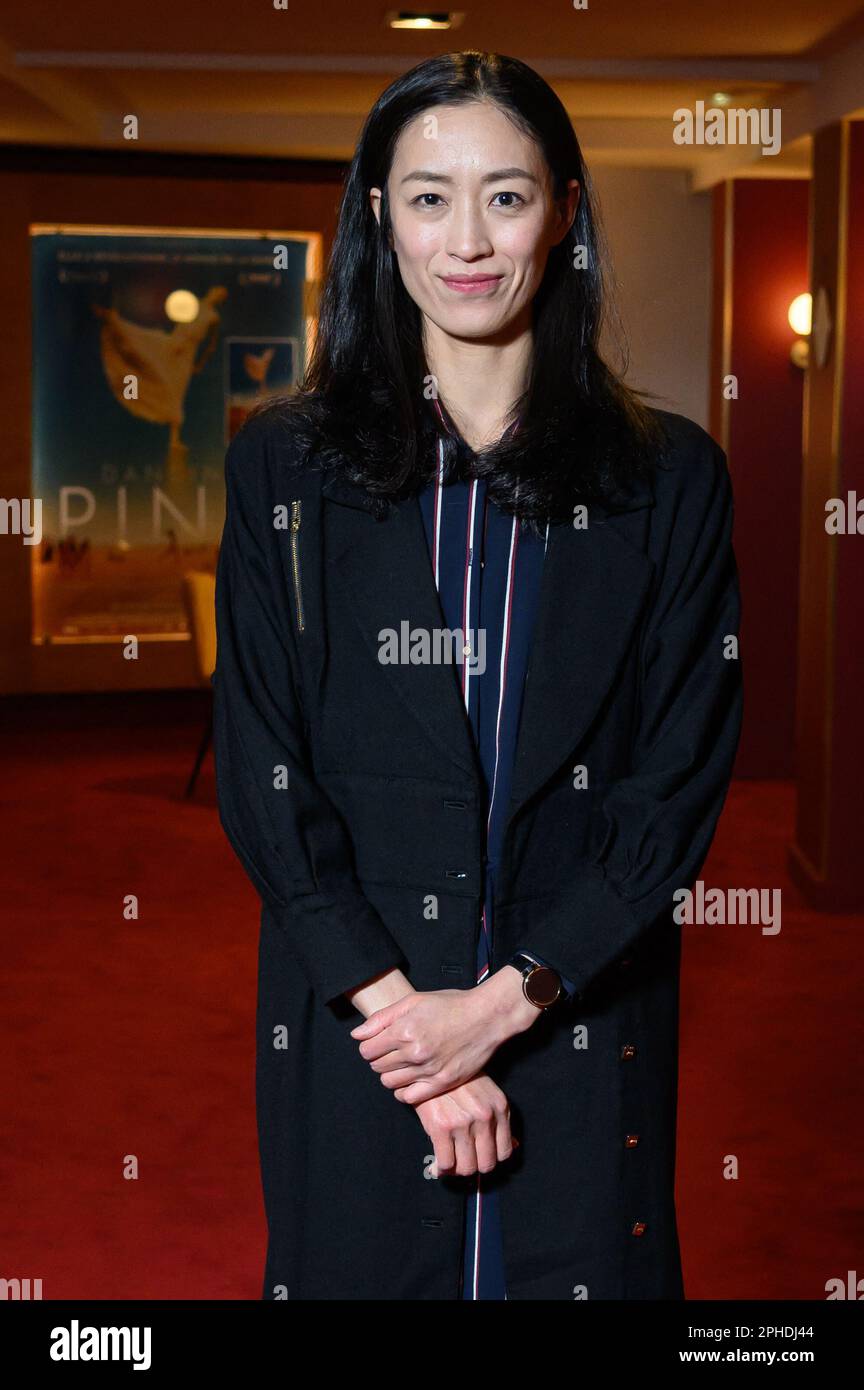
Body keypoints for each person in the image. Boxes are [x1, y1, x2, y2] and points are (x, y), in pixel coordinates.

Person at [213, 50, 742, 1301]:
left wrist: (498, 1009)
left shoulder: (670, 476)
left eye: (505, 196)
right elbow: (264, 775)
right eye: (428, 196)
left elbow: (670, 795)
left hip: (572, 1002)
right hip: (360, 1012)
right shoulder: (284, 469)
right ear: (377, 217)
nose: (467, 239)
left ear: (562, 212)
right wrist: (417, 1034)